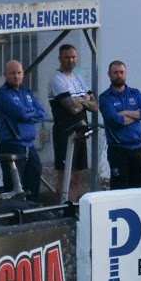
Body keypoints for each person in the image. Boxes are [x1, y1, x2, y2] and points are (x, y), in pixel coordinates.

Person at [48, 42, 99, 204]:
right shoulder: (57, 79)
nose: (71, 60)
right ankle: (59, 210)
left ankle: (71, 209)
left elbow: (95, 106)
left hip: (81, 133)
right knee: (65, 177)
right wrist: (85, 100)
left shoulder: (78, 78)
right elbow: (73, 109)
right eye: (67, 57)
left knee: (77, 177)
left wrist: (80, 100)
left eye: (73, 57)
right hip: (65, 133)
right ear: (60, 59)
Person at [0, 59, 47, 202]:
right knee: (14, 188)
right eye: (12, 73)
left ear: (23, 74)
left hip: (30, 145)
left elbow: (42, 113)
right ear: (5, 74)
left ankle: (31, 219)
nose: (16, 76)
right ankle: (13, 221)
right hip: (12, 145)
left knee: (33, 184)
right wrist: (30, 113)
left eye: (19, 73)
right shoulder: (2, 93)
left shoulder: (27, 92)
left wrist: (27, 113)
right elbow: (20, 114)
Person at [98, 59, 141, 189]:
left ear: (126, 74)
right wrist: (136, 115)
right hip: (118, 151)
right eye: (115, 72)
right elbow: (116, 121)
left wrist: (126, 112)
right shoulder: (105, 98)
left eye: (121, 72)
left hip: (139, 150)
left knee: (139, 189)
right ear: (109, 74)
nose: (119, 75)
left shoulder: (135, 93)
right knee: (119, 190)